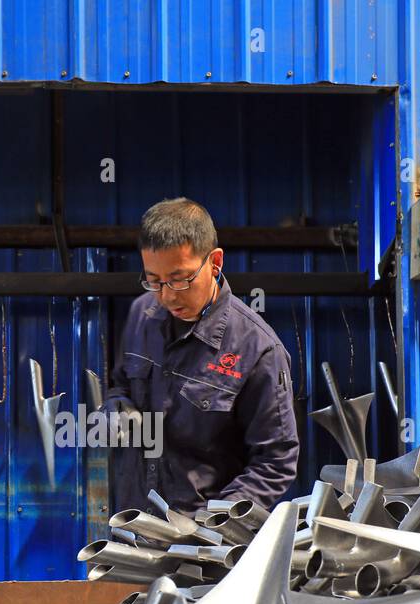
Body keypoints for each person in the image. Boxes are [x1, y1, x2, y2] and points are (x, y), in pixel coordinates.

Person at [104, 197, 299, 516]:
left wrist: (214, 523)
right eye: (154, 281)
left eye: (180, 279)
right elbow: (120, 386)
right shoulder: (142, 313)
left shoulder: (258, 350)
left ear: (215, 262)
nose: (167, 296)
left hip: (207, 548)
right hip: (133, 528)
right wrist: (117, 409)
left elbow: (275, 463)